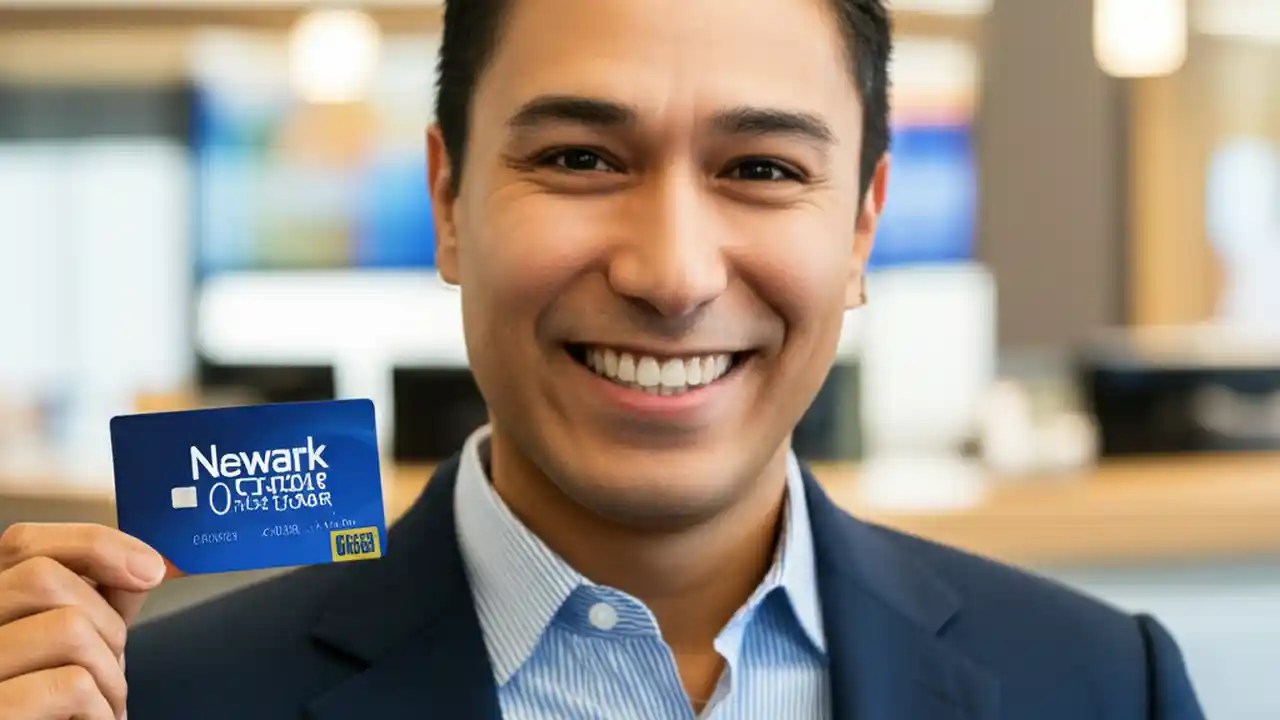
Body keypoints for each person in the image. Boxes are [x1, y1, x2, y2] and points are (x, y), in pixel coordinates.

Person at [0, 0, 1206, 718]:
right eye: (579, 158)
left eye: (763, 169)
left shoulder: (1101, 686)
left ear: (859, 232)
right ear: (449, 202)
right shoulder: (158, 704)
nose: (671, 274)